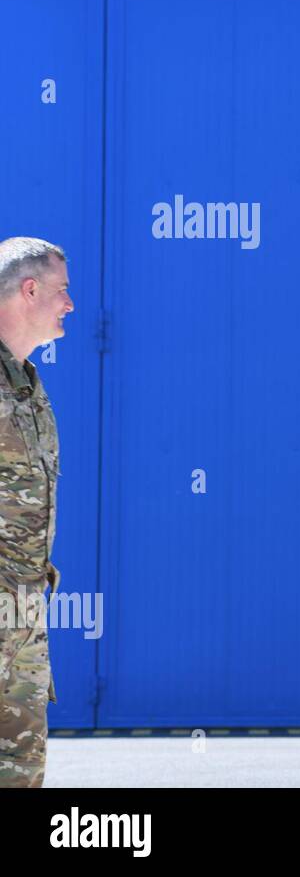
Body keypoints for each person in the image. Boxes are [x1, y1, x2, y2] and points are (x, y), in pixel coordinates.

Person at [0, 236, 74, 788]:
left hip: (23, 619)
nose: (69, 304)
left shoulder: (29, 384)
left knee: (22, 772)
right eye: (61, 291)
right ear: (29, 289)